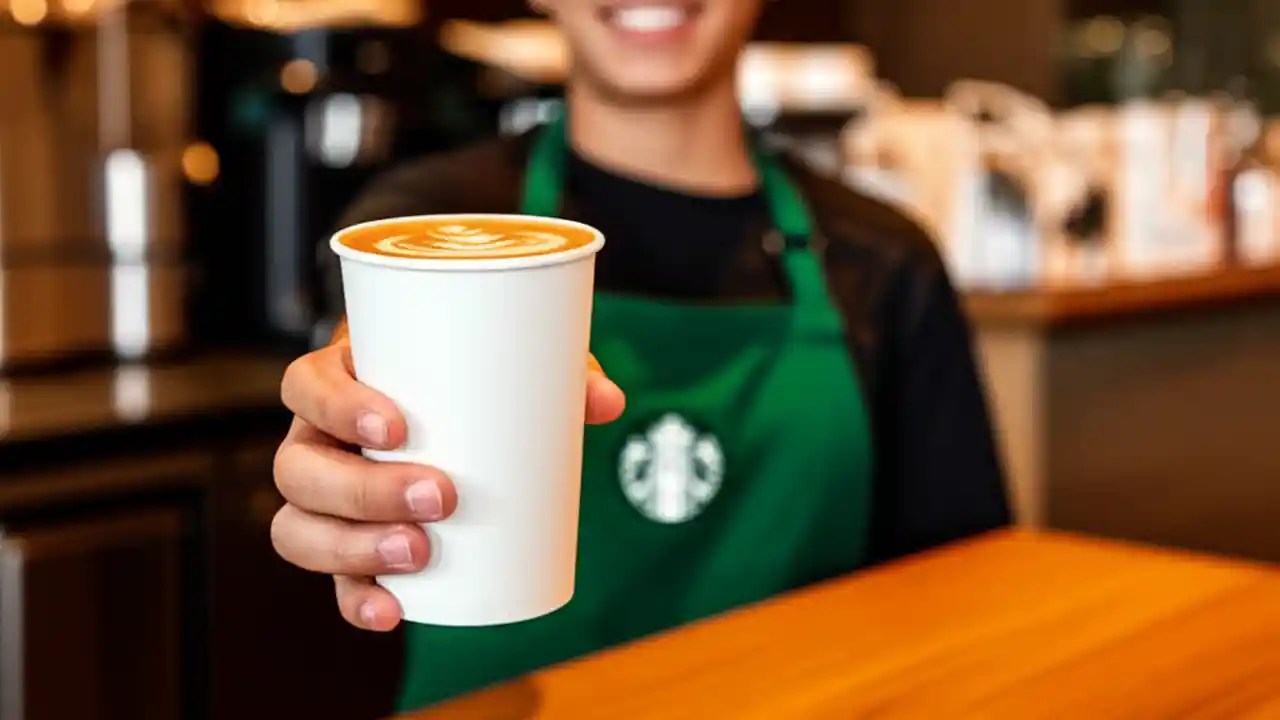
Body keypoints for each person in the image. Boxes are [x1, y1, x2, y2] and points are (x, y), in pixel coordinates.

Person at [272, 0, 1009, 711]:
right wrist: (344, 452)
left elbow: (963, 583)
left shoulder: (886, 262)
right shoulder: (416, 223)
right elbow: (357, 365)